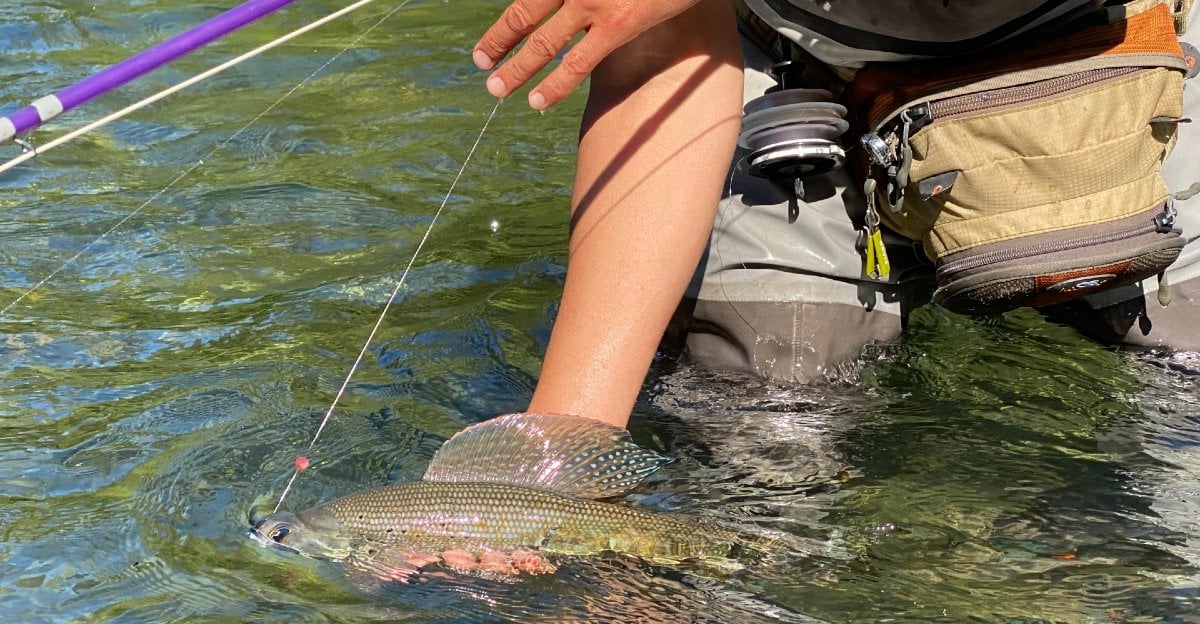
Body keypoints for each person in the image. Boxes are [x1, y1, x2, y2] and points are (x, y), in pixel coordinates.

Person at [470, 0, 1200, 429]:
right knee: (765, 432)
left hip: (1114, 56)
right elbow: (664, 56)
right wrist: (560, 449)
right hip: (798, 77)